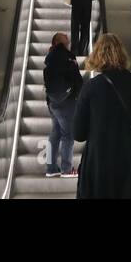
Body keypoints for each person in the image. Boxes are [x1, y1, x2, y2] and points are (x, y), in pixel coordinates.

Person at [73, 33, 131, 199]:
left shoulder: (90, 88)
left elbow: (78, 134)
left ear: (96, 55)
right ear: (122, 54)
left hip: (98, 165)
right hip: (130, 164)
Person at [42, 32, 83, 178]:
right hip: (67, 102)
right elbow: (78, 80)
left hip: (52, 102)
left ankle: (51, 168)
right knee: (68, 135)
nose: (68, 45)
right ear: (62, 44)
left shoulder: (48, 61)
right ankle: (66, 169)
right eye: (67, 43)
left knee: (54, 134)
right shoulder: (69, 58)